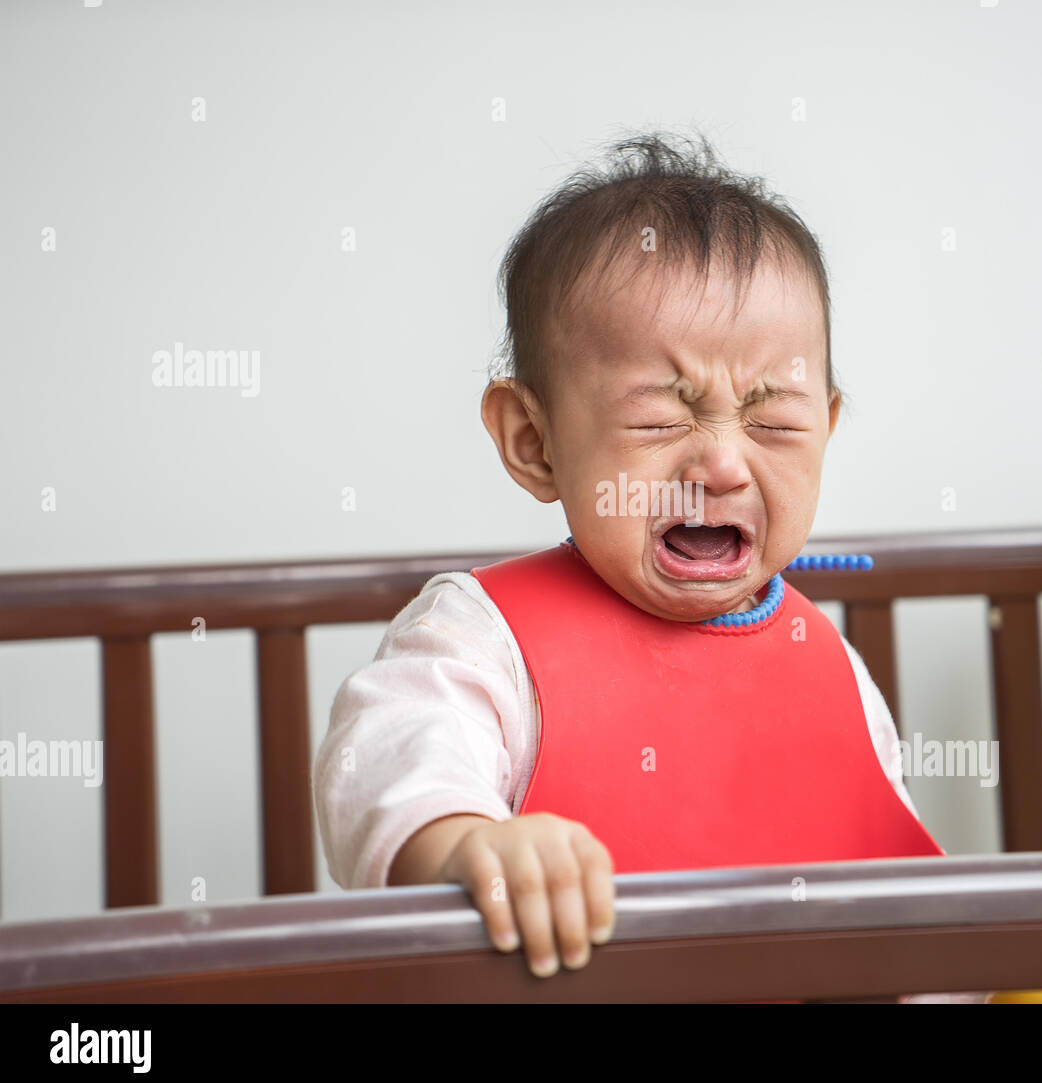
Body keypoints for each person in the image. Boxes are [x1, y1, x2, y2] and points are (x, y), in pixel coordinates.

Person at [314, 132, 970, 1000]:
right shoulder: (484, 639)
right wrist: (469, 842)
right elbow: (390, 763)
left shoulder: (833, 666)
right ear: (534, 441)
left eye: (774, 422)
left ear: (829, 429)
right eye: (662, 419)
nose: (726, 464)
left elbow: (903, 915)